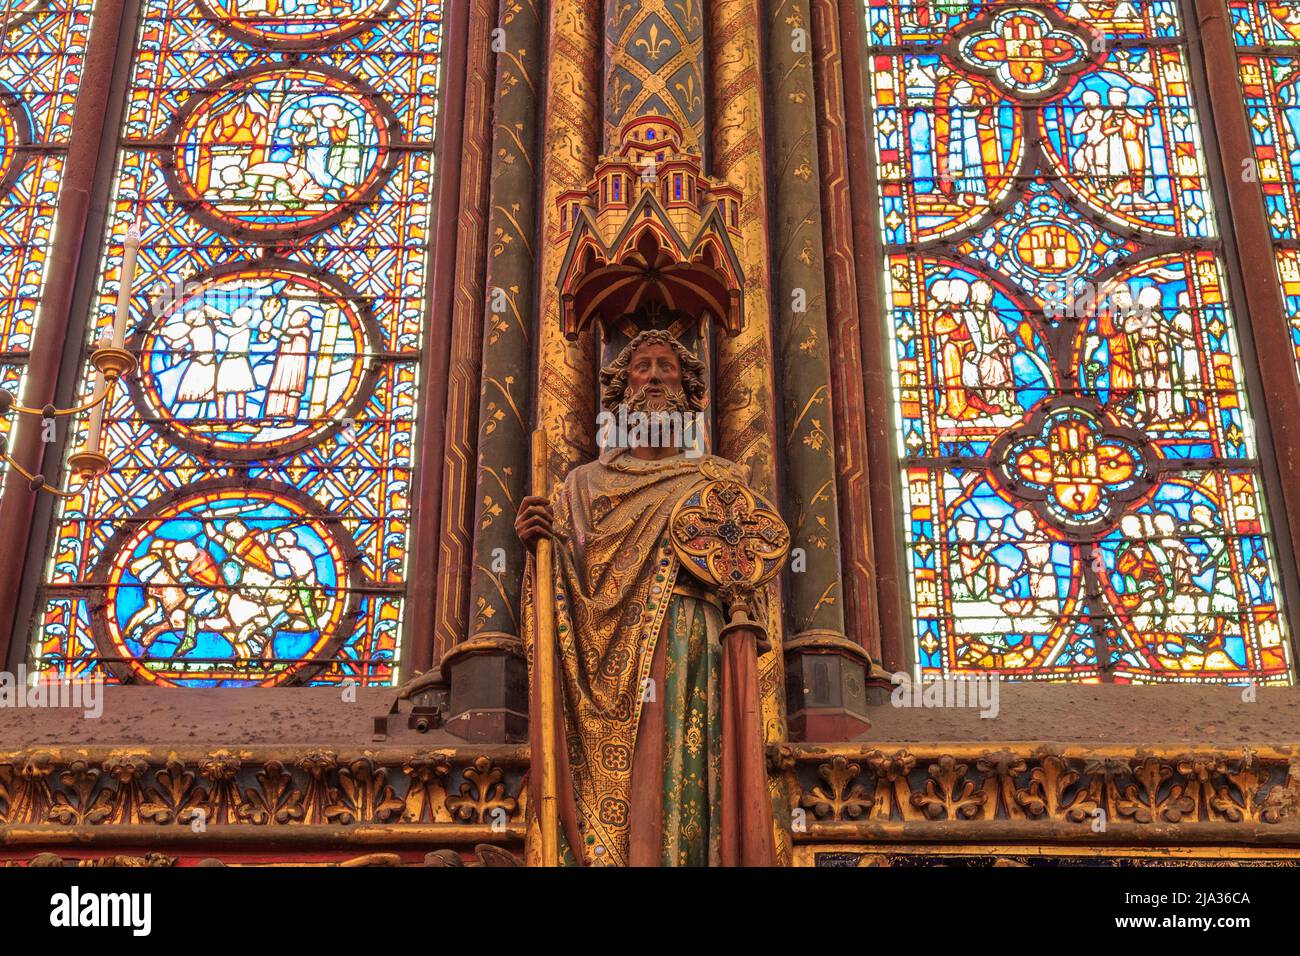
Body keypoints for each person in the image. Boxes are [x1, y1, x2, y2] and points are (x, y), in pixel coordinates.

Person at [514, 329, 777, 867]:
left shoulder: (719, 479)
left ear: (688, 388)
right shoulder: (582, 486)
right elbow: (563, 591)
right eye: (642, 367)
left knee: (685, 771)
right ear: (620, 388)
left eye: (667, 367)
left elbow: (752, 572)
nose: (654, 376)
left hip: (691, 645)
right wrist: (539, 544)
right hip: (605, 656)